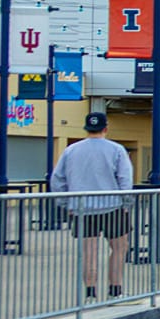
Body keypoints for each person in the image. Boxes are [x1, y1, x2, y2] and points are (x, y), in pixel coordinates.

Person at [49, 111, 133, 300]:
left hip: (82, 207)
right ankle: (115, 290)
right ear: (106, 128)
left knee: (89, 251)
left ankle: (90, 293)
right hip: (112, 206)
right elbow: (125, 179)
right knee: (119, 248)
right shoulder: (116, 149)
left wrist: (66, 203)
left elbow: (57, 178)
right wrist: (126, 202)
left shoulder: (71, 150)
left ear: (86, 129)